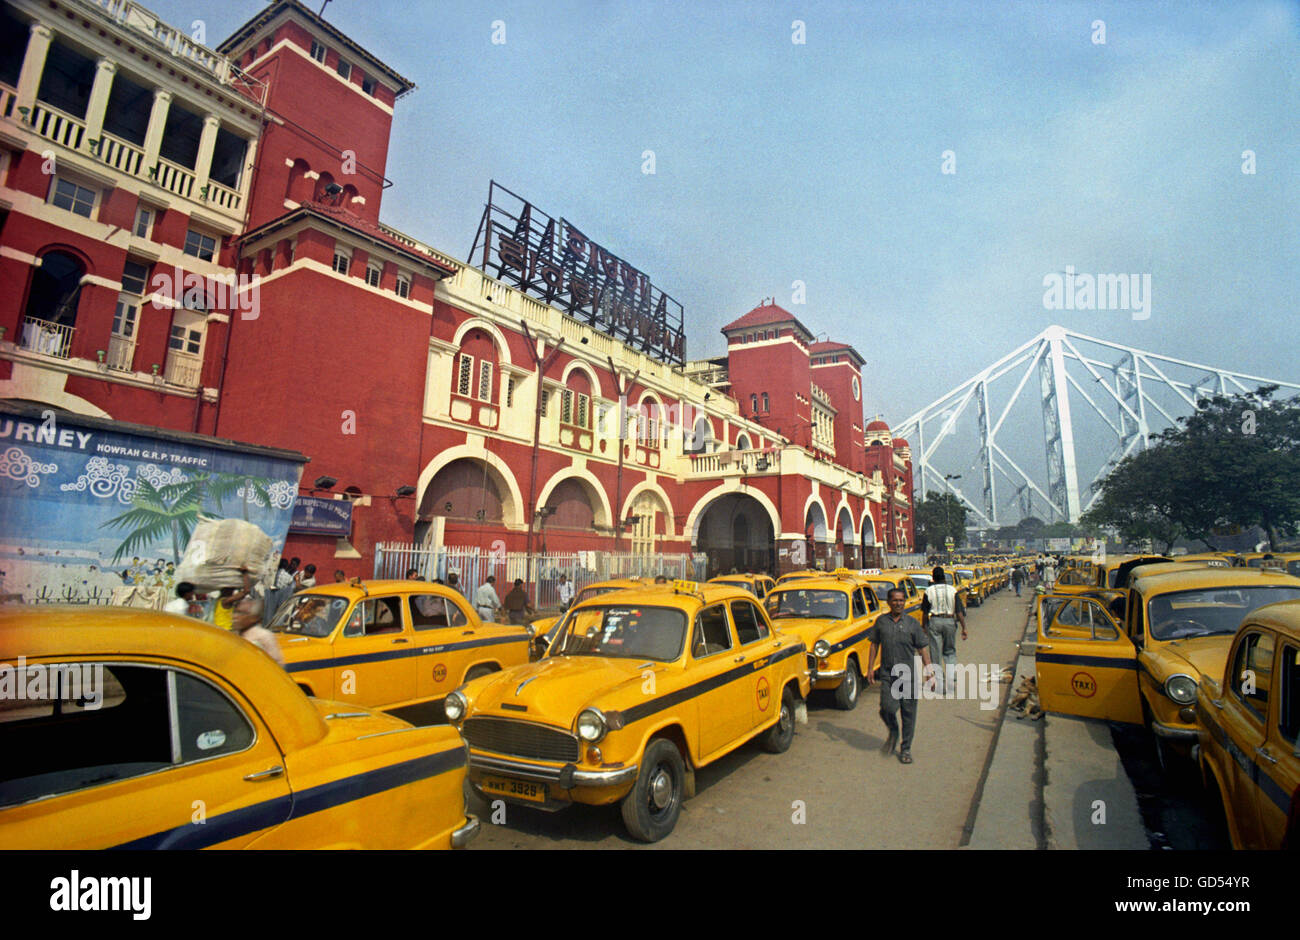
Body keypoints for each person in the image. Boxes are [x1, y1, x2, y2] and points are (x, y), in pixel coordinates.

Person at [864, 587, 935, 765]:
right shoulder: (881, 622)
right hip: (888, 674)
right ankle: (894, 730)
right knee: (886, 708)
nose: (898, 603)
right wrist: (870, 667)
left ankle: (906, 749)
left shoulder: (912, 624)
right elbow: (874, 645)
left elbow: (922, 648)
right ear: (888, 602)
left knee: (908, 713)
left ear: (904, 602)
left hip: (908, 676)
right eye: (895, 600)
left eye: (901, 600)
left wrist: (930, 673)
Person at [920, 567, 966, 695]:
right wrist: (964, 628)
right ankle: (951, 681)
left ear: (933, 578)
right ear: (944, 577)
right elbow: (959, 611)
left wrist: (923, 627)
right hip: (950, 621)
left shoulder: (928, 591)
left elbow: (924, 612)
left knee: (936, 653)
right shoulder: (952, 590)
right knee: (950, 651)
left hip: (934, 621)